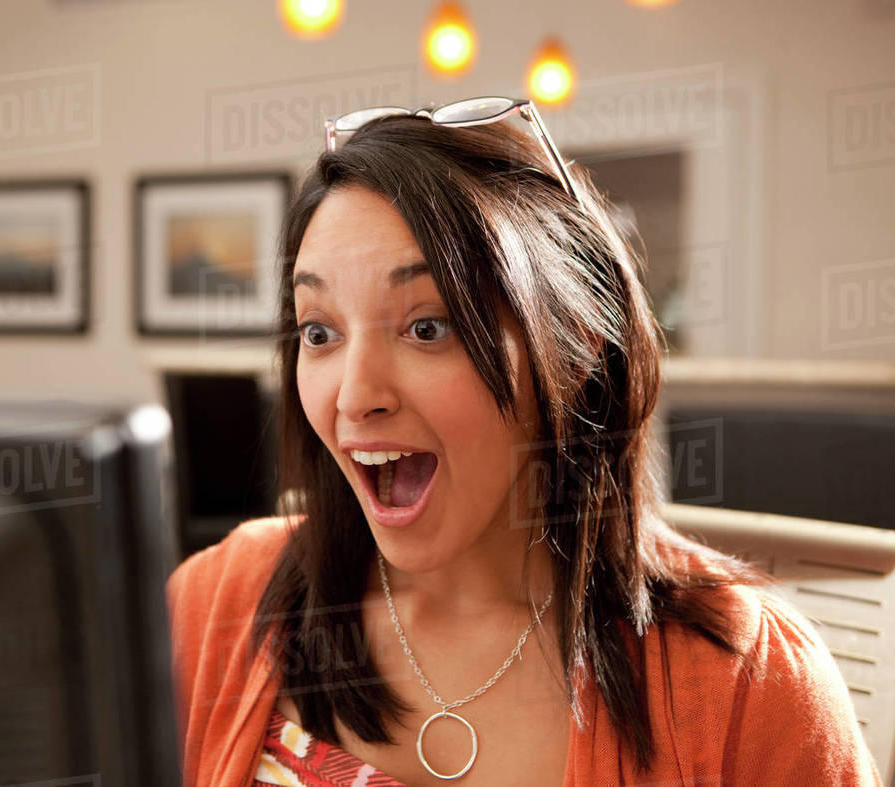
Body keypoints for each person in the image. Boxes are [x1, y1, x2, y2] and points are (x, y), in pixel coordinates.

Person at [165, 98, 883, 786]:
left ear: (578, 348)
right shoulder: (217, 600)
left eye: (427, 327)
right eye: (319, 331)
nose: (354, 396)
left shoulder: (754, 684)